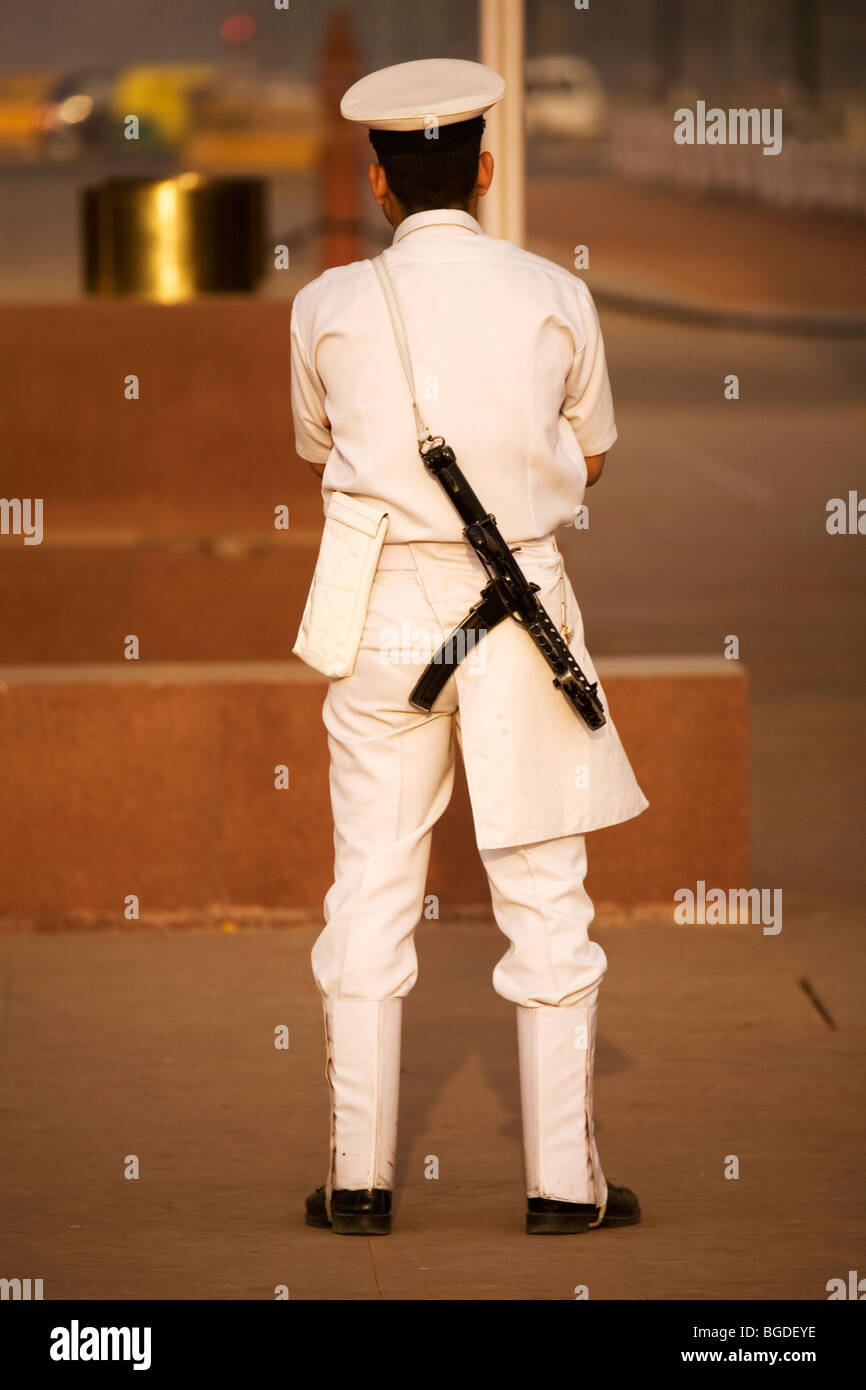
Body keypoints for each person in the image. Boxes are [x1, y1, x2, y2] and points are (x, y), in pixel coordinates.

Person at [290, 58, 648, 1237]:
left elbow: (317, 442)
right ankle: (561, 1186)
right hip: (523, 615)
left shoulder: (327, 306)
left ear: (379, 182)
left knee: (370, 894)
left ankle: (357, 1182)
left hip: (384, 617)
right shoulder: (553, 290)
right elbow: (589, 451)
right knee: (546, 901)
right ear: (483, 172)